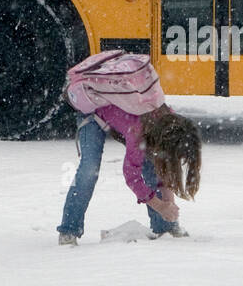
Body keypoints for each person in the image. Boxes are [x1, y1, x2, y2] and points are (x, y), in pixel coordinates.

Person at [57, 103, 201, 245]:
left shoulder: (170, 120)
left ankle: (166, 228)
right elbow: (132, 176)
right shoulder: (138, 131)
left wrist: (168, 203)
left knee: (153, 164)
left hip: (127, 119)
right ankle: (69, 230)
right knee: (89, 169)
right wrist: (160, 206)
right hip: (91, 113)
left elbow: (165, 163)